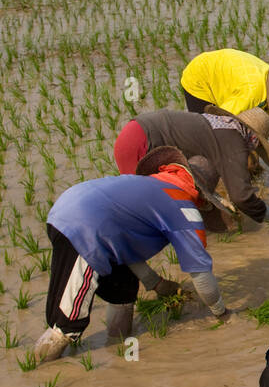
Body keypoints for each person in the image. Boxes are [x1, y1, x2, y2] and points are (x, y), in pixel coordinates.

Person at [34, 146, 234, 365]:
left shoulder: (153, 185)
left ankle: (120, 350)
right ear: (203, 197)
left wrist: (156, 284)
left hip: (71, 209)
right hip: (85, 230)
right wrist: (222, 313)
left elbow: (123, 246)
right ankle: (39, 377)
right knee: (66, 324)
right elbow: (201, 275)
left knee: (124, 292)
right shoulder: (183, 207)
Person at [113, 106, 269, 223]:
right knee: (139, 213)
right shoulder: (234, 142)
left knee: (151, 204)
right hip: (141, 142)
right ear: (254, 142)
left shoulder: (221, 125)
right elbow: (241, 197)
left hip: (135, 131)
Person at [180, 49, 269, 139]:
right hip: (199, 77)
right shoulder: (253, 94)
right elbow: (223, 119)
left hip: (220, 74)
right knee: (205, 133)